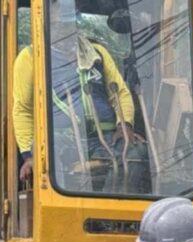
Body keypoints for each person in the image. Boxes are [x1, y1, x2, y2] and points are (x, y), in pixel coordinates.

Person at [13, 0, 147, 192]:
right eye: (59, 25)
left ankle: (108, 211)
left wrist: (124, 126)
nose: (65, 30)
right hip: (59, 141)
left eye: (69, 24)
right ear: (47, 23)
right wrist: (29, 155)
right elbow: (23, 110)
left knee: (136, 151)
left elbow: (121, 93)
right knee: (50, 168)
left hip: (105, 138)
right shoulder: (30, 57)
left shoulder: (97, 54)